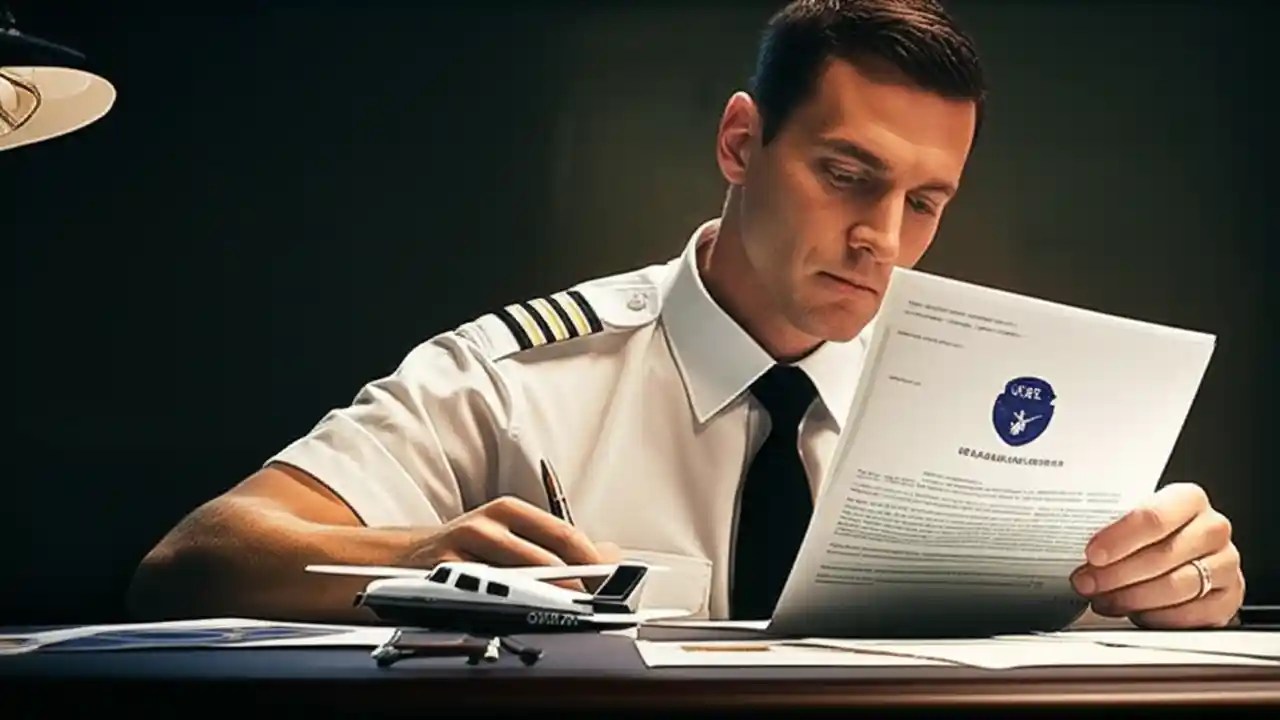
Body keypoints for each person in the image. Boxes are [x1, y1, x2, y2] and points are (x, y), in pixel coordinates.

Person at [127, 0, 1245, 629]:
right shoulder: (518, 377)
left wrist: (1177, 585)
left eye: (925, 202)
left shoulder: (988, 402)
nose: (883, 240)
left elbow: (1099, 627)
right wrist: (413, 552)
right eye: (846, 174)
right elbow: (191, 561)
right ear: (740, 143)